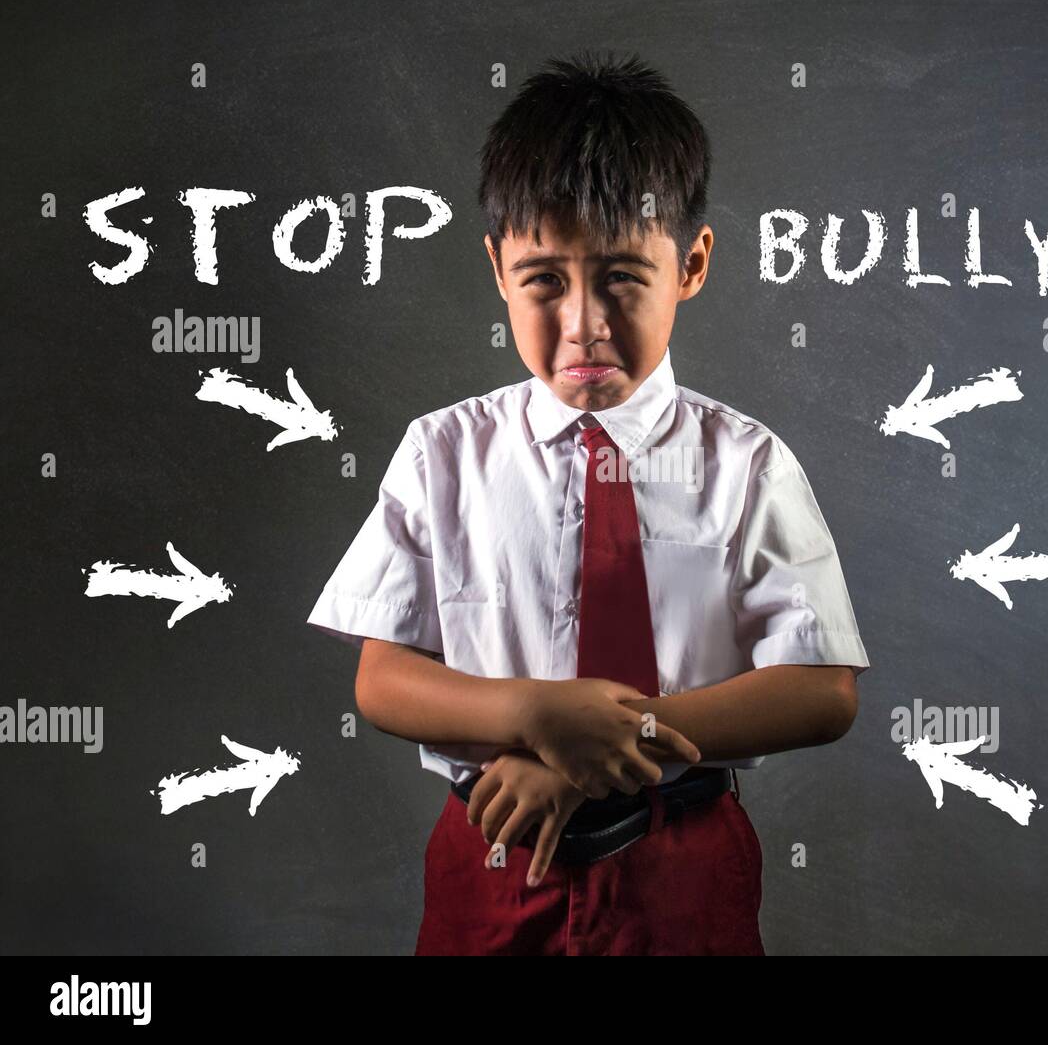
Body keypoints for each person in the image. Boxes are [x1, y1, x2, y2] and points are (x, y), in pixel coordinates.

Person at [306, 50, 870, 956]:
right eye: (543, 281)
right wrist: (533, 716)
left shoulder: (749, 464)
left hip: (681, 865)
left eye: (621, 277)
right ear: (496, 268)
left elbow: (822, 687)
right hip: (492, 859)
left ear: (690, 263)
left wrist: (627, 736)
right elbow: (382, 677)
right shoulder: (443, 455)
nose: (583, 323)